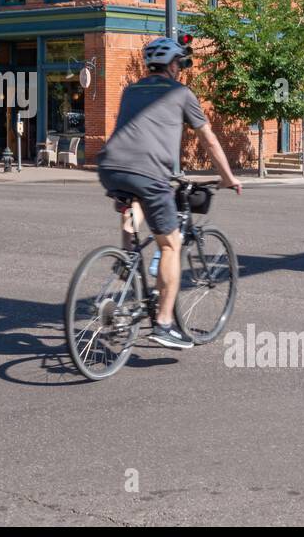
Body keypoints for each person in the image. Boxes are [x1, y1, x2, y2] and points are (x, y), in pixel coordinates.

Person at [97, 36, 242, 350]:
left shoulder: (130, 91)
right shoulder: (181, 93)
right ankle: (163, 324)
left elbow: (140, 131)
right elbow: (209, 139)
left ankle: (127, 257)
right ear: (173, 65)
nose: (180, 68)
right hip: (149, 172)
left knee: (133, 202)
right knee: (171, 244)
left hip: (110, 166)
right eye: (180, 63)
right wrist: (227, 177)